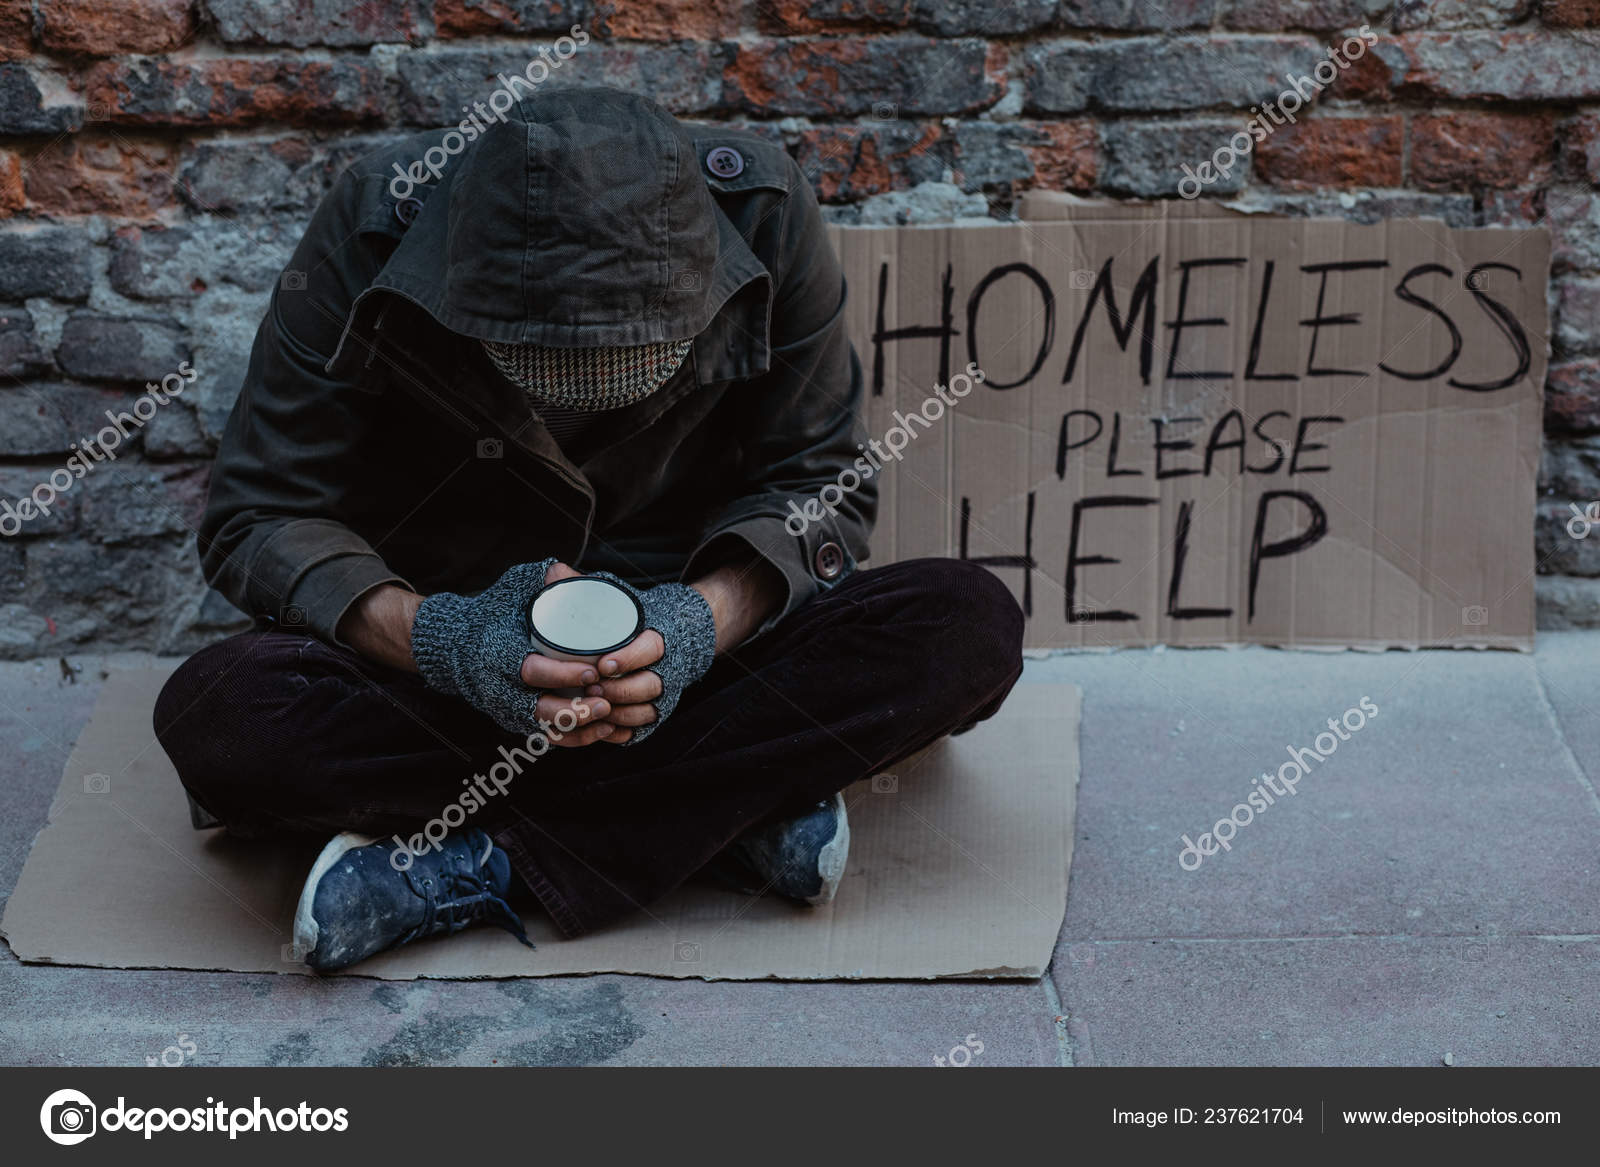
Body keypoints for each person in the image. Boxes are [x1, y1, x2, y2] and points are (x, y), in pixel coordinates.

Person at [153, 87, 1023, 973]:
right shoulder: (373, 227)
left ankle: (475, 859)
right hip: (453, 662)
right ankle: (725, 811)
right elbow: (258, 515)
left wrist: (695, 624)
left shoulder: (763, 211)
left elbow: (820, 484)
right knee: (217, 713)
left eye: (628, 361)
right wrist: (446, 640)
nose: (587, 389)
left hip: (697, 661)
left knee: (965, 623)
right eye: (545, 364)